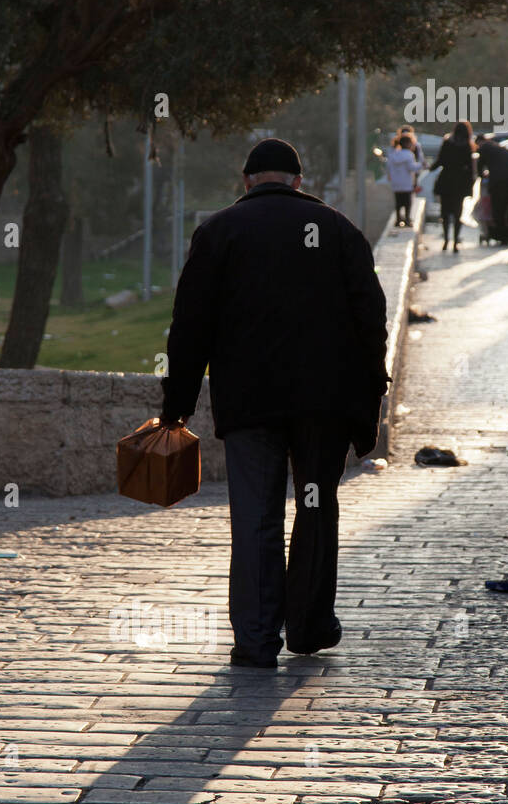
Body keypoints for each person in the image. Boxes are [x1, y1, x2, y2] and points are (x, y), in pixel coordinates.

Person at [159, 137, 388, 669]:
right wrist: (369, 397)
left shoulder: (219, 232)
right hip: (323, 407)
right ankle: (308, 628)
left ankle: (256, 641)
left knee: (255, 518)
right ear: (298, 181)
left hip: (248, 404)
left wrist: (178, 403)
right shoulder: (336, 231)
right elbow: (370, 321)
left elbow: (190, 327)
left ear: (246, 180)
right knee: (314, 510)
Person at [430, 121, 476, 251]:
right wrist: (470, 185)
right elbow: (470, 169)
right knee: (457, 213)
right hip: (460, 184)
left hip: (446, 182)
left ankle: (446, 240)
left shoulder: (447, 143)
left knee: (445, 213)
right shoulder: (468, 146)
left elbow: (440, 161)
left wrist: (430, 168)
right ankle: (455, 241)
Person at [475, 133, 508, 242]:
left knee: (498, 208)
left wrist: (481, 176)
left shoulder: (484, 148)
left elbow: (480, 165)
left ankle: (502, 235)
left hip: (497, 182)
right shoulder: (499, 147)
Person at [386, 132, 420, 227]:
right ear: (408, 144)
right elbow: (412, 168)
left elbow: (388, 166)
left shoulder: (393, 154)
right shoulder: (409, 154)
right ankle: (407, 219)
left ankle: (398, 220)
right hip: (406, 183)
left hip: (396, 183)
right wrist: (421, 165)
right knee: (407, 203)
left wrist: (390, 175)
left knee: (398, 202)